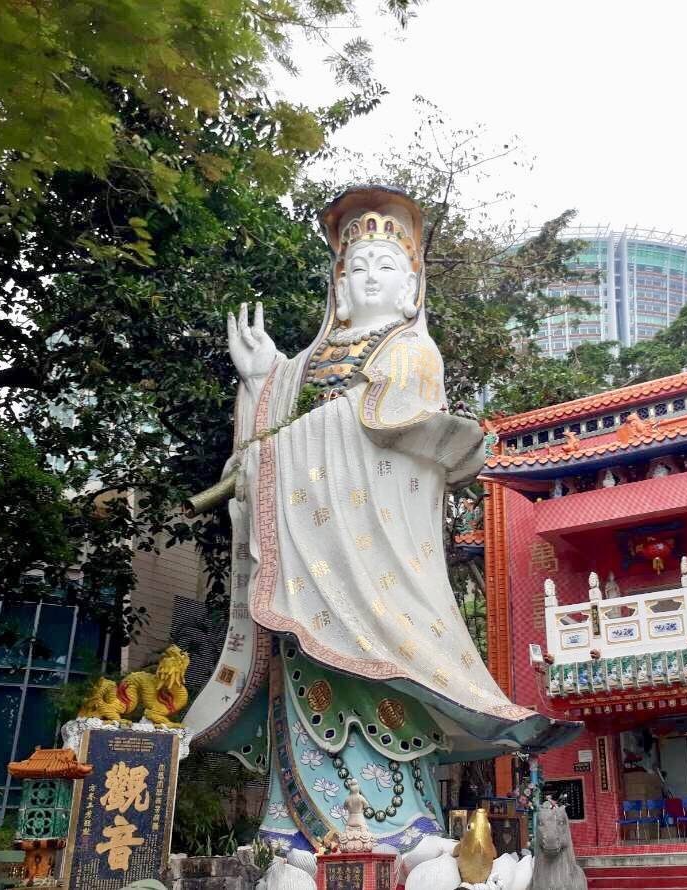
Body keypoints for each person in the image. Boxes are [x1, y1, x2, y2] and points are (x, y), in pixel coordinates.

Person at [182, 186, 578, 853]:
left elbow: (387, 426)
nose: (369, 277)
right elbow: (257, 449)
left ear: (410, 289)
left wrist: (286, 444)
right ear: (337, 285)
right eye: (355, 267)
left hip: (375, 569)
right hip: (307, 568)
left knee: (375, 685)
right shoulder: (303, 366)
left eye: (384, 268)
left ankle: (401, 830)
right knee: (308, 677)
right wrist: (257, 382)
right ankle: (291, 834)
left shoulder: (411, 353)